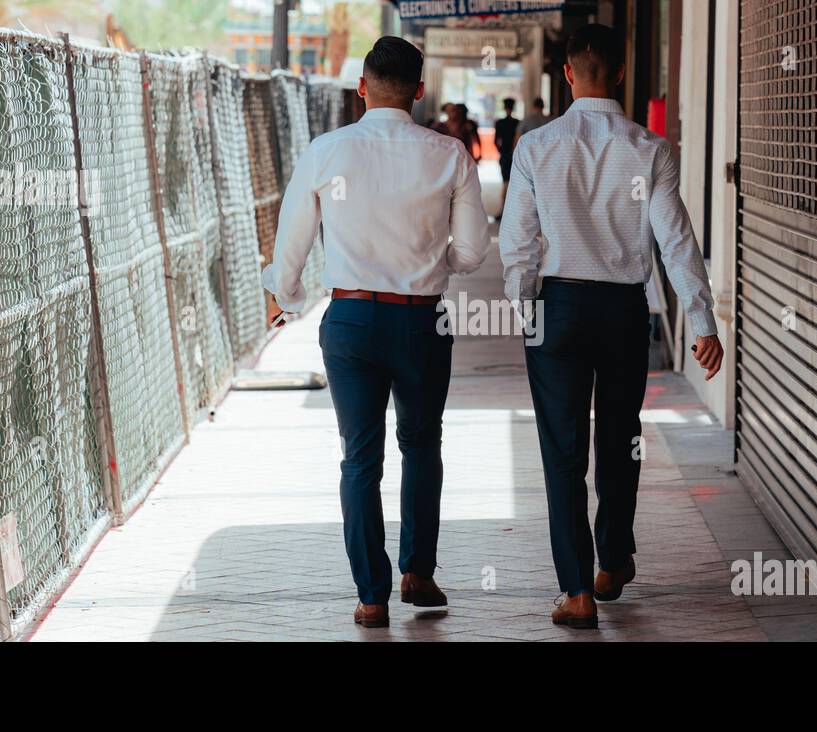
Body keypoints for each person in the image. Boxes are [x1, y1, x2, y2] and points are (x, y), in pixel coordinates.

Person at [498, 23, 723, 630]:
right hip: (625, 310)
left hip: (558, 309)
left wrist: (525, 308)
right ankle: (614, 558)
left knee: (562, 451)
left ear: (566, 74)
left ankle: (576, 591)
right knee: (621, 437)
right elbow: (677, 242)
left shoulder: (537, 148)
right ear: (621, 73)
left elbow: (517, 240)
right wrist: (701, 320)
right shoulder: (650, 149)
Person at [264, 36, 491, 629]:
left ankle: (372, 595)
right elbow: (470, 252)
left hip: (352, 321)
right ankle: (419, 571)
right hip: (422, 319)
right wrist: (431, 265)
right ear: (419, 92)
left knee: (359, 459)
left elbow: (291, 247)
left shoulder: (326, 151)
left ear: (361, 87)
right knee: (422, 445)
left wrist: (286, 299)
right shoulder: (449, 154)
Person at [493, 98, 520, 216]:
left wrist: (502, 151)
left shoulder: (499, 123)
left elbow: (495, 141)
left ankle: (503, 209)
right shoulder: (517, 123)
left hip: (504, 155)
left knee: (505, 182)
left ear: (504, 108)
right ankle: (511, 210)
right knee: (514, 183)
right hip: (514, 154)